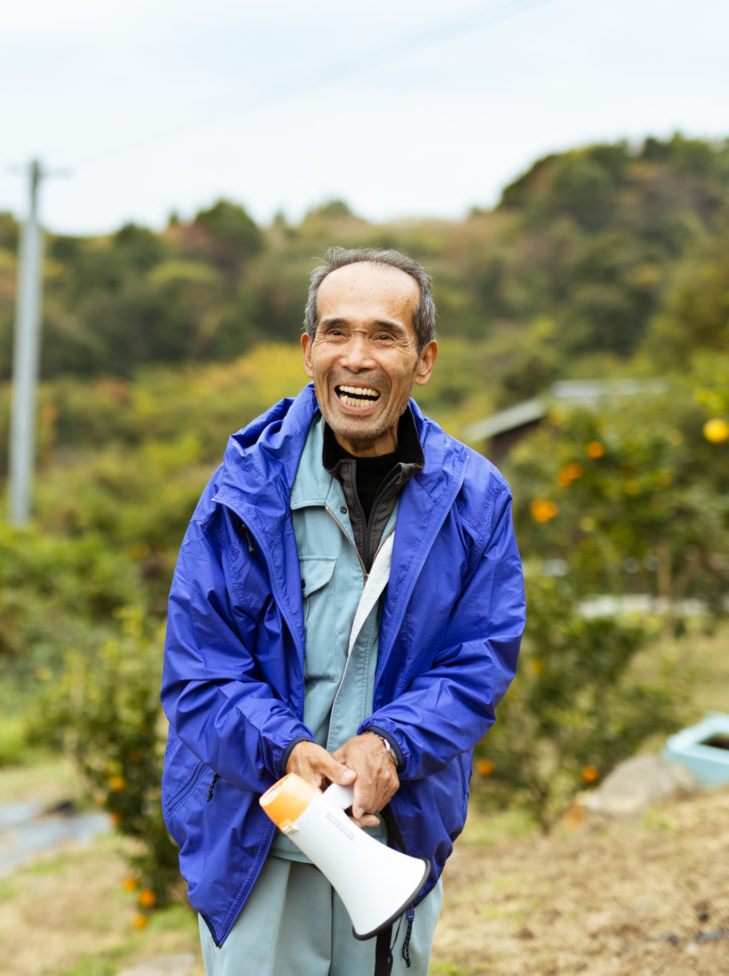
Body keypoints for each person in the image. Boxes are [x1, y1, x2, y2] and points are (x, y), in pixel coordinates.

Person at [160, 247, 526, 975]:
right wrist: (286, 750)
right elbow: (200, 671)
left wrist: (391, 744)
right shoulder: (241, 492)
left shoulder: (475, 497)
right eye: (337, 332)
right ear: (308, 352)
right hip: (258, 845)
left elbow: (480, 659)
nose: (356, 357)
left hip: (395, 842)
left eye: (384, 336)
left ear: (424, 360)